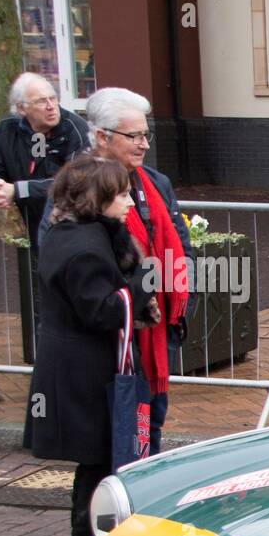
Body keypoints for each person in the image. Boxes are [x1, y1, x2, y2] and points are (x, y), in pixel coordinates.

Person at [24, 154, 158, 536]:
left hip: (79, 365)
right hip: (82, 371)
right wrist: (142, 284)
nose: (131, 202)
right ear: (96, 199)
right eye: (121, 195)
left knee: (100, 461)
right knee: (96, 461)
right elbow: (101, 310)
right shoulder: (83, 248)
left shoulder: (74, 234)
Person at [73, 87, 192, 457]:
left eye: (146, 134)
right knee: (107, 445)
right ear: (102, 136)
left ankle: (141, 507)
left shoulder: (156, 183)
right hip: (110, 338)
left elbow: (181, 247)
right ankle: (109, 513)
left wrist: (178, 307)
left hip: (155, 332)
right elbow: (72, 266)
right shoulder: (78, 187)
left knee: (149, 426)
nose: (143, 144)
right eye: (134, 136)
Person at [0, 73, 89, 250]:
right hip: (33, 225)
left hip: (74, 226)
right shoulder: (6, 130)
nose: (51, 106)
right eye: (42, 101)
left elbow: (76, 182)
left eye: (53, 98)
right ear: (21, 109)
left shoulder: (75, 129)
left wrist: (18, 190)